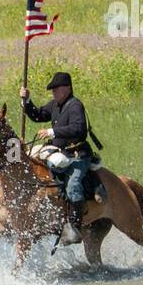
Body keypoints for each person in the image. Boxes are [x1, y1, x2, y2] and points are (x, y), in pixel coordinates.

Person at [20, 71, 91, 244]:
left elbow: (78, 129)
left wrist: (52, 131)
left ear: (67, 88)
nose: (53, 93)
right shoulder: (54, 105)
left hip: (77, 155)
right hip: (59, 152)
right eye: (53, 90)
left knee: (73, 185)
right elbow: (38, 115)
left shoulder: (75, 106)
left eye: (56, 89)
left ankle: (74, 226)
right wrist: (27, 101)